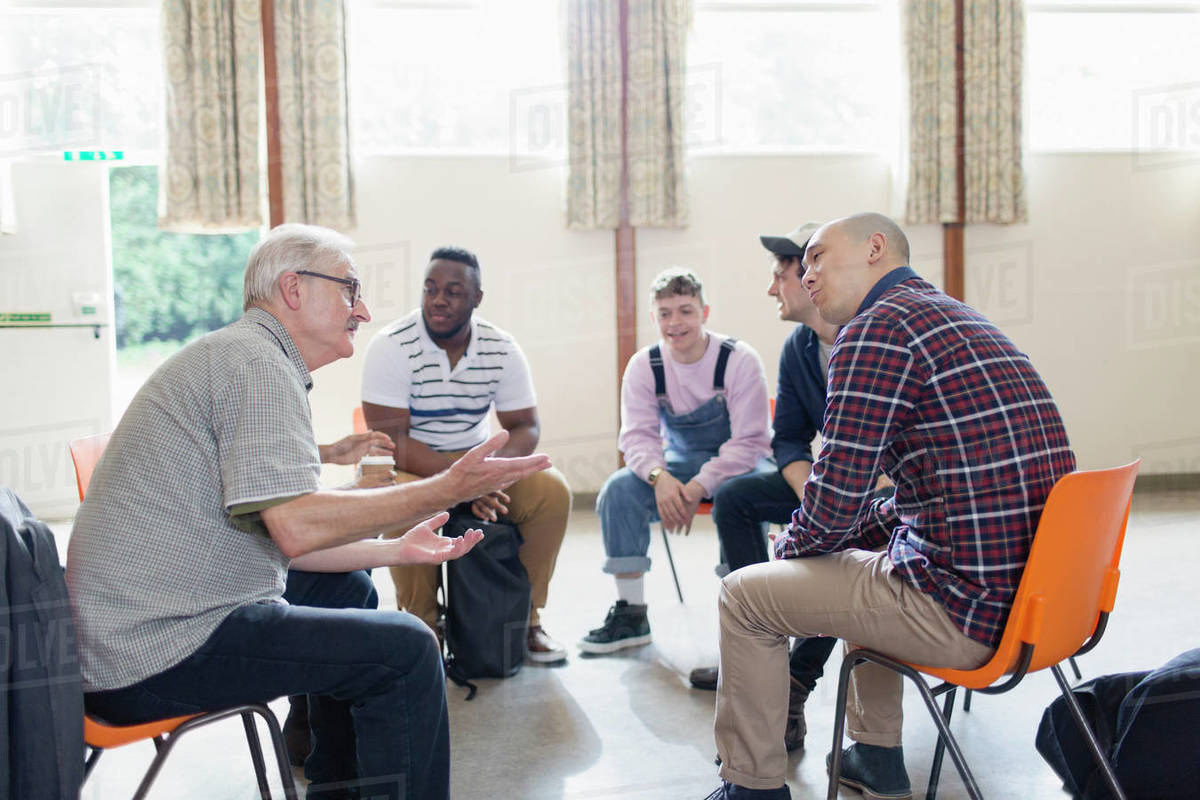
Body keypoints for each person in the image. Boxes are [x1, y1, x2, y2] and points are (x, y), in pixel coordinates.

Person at [66, 224, 550, 800]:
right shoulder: (256, 365)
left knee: (350, 590)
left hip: (144, 626)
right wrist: (447, 488)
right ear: (293, 289)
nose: (362, 310)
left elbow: (281, 533)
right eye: (350, 289)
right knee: (409, 650)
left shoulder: (248, 355)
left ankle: (335, 785)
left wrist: (395, 548)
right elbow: (296, 527)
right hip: (153, 652)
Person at [703, 213, 1076, 800]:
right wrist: (850, 534)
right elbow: (926, 495)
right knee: (874, 559)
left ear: (875, 248)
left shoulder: (876, 329)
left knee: (744, 597)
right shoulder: (959, 318)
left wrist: (789, 550)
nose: (806, 274)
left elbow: (833, 503)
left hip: (969, 616)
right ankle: (875, 756)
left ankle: (751, 789)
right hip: (1046, 605)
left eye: (817, 257)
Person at [360, 246, 573, 663]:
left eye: (453, 291)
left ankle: (526, 620)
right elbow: (392, 438)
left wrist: (487, 474)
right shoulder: (392, 346)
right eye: (430, 289)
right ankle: (423, 626)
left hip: (476, 460)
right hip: (413, 462)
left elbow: (525, 426)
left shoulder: (501, 347)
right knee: (399, 500)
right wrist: (462, 483)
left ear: (477, 297)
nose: (438, 300)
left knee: (552, 493)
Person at [688, 223, 846, 757]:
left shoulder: (867, 336)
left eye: (780, 276)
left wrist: (832, 504)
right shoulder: (799, 348)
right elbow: (790, 439)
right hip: (828, 483)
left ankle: (792, 684)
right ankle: (756, 640)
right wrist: (810, 492)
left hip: (877, 491)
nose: (772, 288)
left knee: (844, 546)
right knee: (736, 498)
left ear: (812, 276)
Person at [580, 267, 772, 654]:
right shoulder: (645, 366)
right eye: (665, 313)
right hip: (678, 463)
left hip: (742, 464)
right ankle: (631, 616)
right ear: (654, 317)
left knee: (743, 494)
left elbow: (750, 441)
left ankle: (745, 616)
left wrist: (700, 485)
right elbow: (637, 437)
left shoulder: (738, 359)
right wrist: (660, 478)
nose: (675, 323)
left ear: (705, 312)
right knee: (618, 491)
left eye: (686, 311)